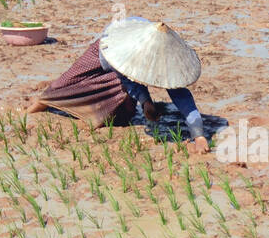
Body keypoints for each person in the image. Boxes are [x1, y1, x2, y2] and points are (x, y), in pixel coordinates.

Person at [26, 17, 208, 151]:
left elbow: (181, 96)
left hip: (126, 65)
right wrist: (146, 101)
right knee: (65, 82)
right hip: (107, 50)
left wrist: (198, 135)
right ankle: (42, 101)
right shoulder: (122, 50)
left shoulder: (169, 60)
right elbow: (128, 79)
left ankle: (97, 115)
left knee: (120, 109)